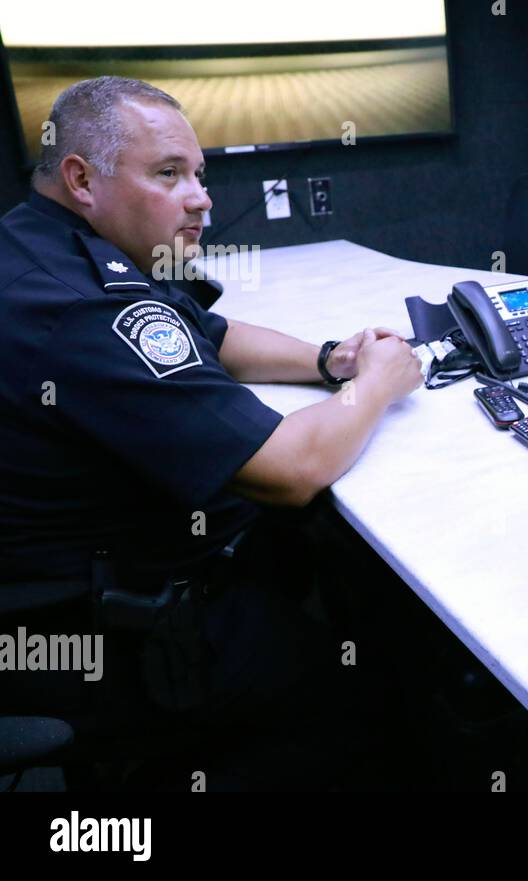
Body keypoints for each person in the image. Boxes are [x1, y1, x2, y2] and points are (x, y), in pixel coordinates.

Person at [0, 77, 423, 784]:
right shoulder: (82, 307)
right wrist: (379, 379)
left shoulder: (54, 243)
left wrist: (327, 360)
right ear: (82, 178)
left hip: (75, 586)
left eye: (199, 174)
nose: (201, 197)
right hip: (105, 637)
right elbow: (291, 469)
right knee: (369, 679)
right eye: (169, 174)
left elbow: (207, 330)